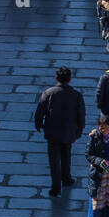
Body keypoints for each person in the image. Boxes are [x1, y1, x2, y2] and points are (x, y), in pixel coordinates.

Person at [34, 66, 85, 198]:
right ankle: (66, 178)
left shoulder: (48, 93)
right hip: (68, 131)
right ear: (70, 79)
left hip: (52, 131)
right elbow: (81, 115)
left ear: (56, 78)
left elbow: (40, 110)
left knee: (54, 160)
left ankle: (55, 187)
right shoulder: (76, 95)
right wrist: (80, 129)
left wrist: (38, 124)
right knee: (66, 154)